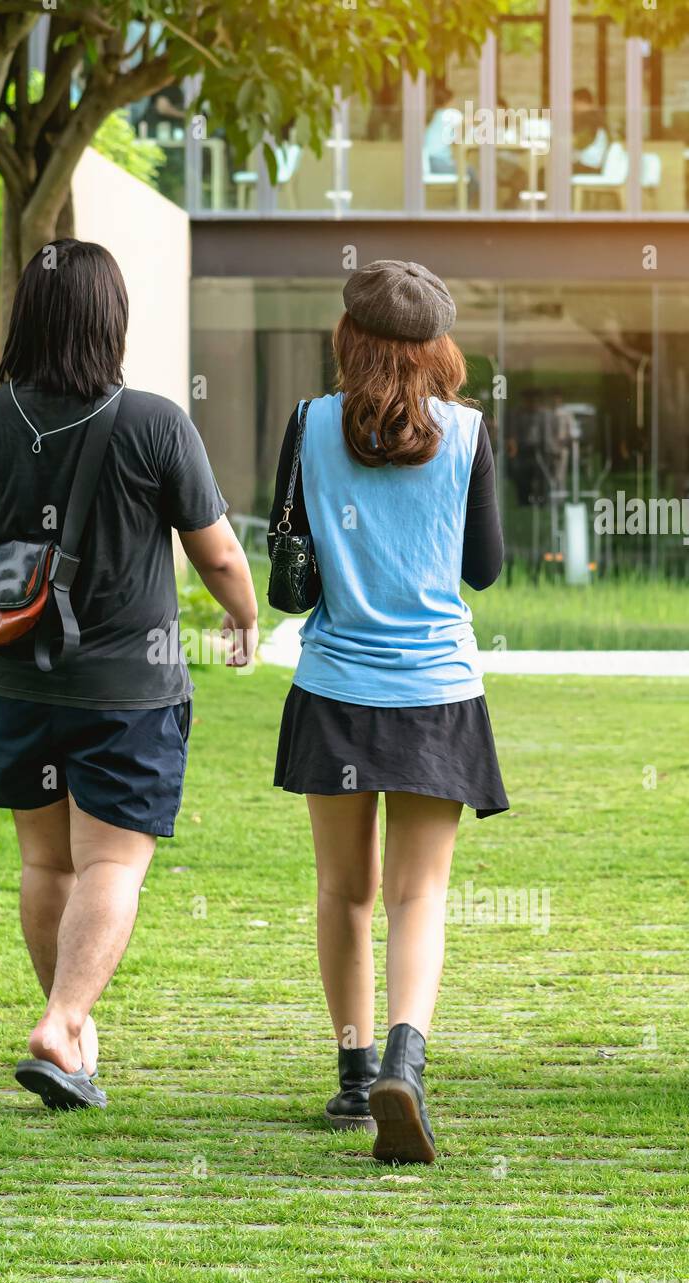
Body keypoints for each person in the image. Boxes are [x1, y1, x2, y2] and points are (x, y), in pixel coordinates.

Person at [0, 239, 258, 1112]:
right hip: (128, 691)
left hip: (11, 684)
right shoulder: (155, 423)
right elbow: (218, 552)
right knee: (110, 860)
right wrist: (244, 615)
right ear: (111, 321)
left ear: (24, 317)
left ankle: (67, 1035)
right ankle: (64, 1021)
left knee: (46, 863)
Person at [269, 260, 508, 1165]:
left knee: (343, 890)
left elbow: (291, 582)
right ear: (437, 347)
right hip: (436, 692)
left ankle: (352, 1072)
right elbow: (482, 568)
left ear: (348, 339)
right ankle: (405, 1062)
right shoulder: (469, 432)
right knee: (418, 894)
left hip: (335, 689)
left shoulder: (308, 424)